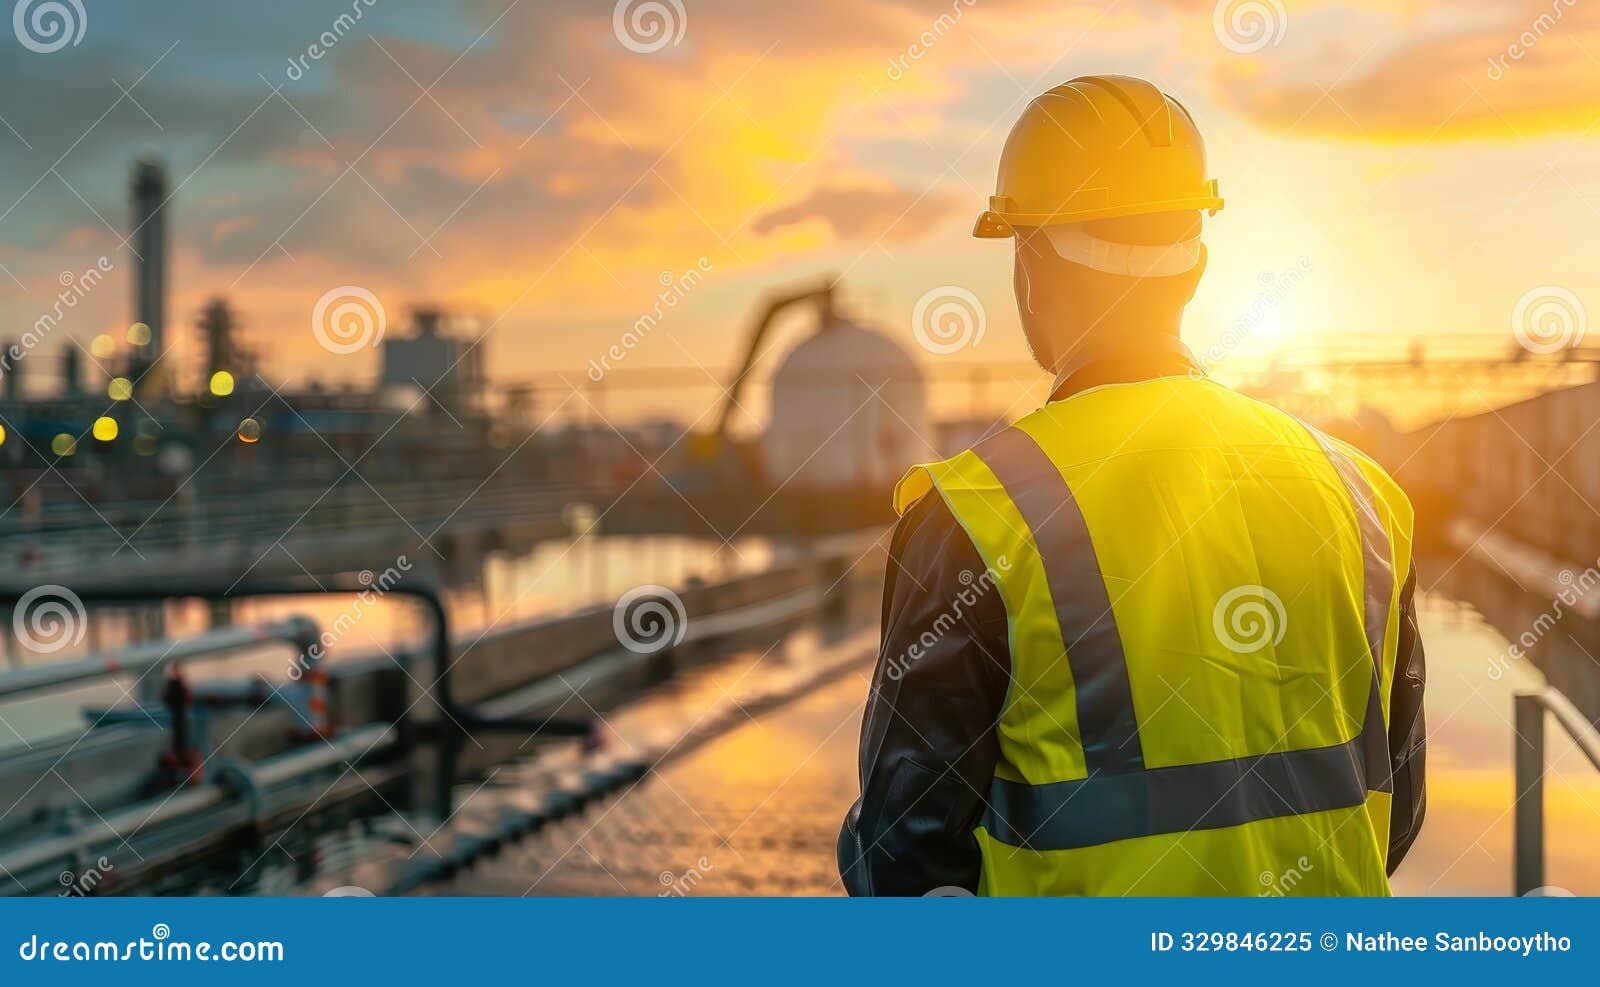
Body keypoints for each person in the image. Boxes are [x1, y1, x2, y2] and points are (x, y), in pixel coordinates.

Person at [837, 75, 1425, 896]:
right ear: (1196, 267)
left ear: (1032, 262)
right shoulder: (1360, 495)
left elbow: (903, 857)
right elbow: (1393, 820)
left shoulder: (973, 514)